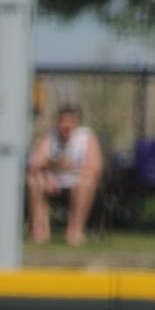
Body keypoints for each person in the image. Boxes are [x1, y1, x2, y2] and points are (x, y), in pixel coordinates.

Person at [26, 105, 103, 245]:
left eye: (69, 122)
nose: (65, 126)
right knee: (34, 180)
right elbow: (34, 164)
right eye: (62, 121)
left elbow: (94, 168)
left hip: (77, 180)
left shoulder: (86, 138)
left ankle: (75, 232)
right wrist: (51, 170)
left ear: (77, 124)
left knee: (86, 182)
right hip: (52, 180)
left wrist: (71, 167)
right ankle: (39, 231)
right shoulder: (49, 137)